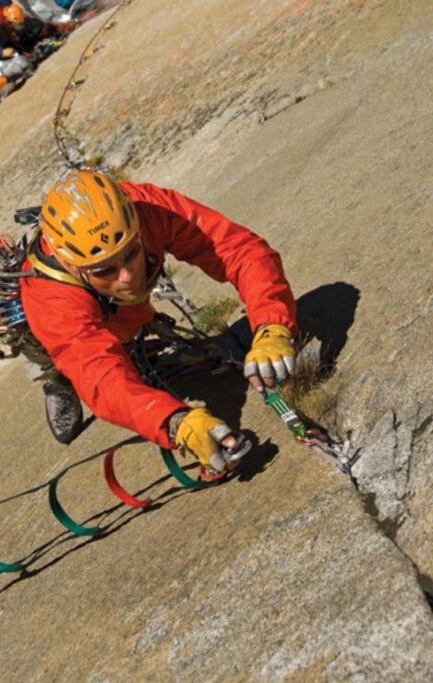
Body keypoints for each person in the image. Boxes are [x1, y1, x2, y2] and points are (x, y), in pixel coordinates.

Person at [19, 170, 297, 478]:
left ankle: (131, 329)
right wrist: (174, 422)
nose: (125, 274)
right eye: (106, 269)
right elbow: (98, 374)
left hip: (123, 307)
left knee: (131, 321)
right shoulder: (48, 296)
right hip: (67, 323)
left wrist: (271, 325)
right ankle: (56, 381)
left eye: (131, 254)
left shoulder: (150, 209)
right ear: (73, 265)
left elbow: (237, 250)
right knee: (70, 360)